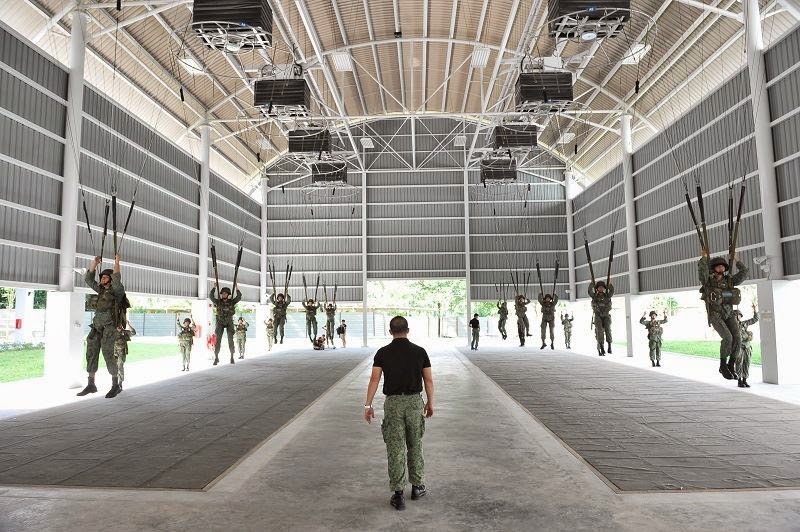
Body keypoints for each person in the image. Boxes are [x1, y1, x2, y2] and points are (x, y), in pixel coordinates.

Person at [364, 316, 434, 511]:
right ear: (408, 330)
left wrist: (367, 405)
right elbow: (428, 380)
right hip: (414, 402)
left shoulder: (383, 353)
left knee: (395, 448)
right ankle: (418, 487)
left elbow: (374, 380)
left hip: (393, 404)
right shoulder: (420, 352)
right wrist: (430, 403)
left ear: (390, 331)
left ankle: (398, 494)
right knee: (415, 445)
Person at [77, 254, 128, 398]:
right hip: (97, 326)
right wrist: (94, 262)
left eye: (105, 277)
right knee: (91, 353)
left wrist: (117, 262)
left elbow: (117, 277)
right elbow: (88, 279)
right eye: (102, 277)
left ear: (111, 280)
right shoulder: (100, 290)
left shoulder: (117, 292)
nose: (102, 279)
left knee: (107, 354)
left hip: (109, 327)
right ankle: (91, 384)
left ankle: (115, 385)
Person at [698, 252, 748, 380]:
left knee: (738, 338)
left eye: (722, 266)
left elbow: (744, 274)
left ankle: (731, 364)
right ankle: (723, 365)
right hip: (715, 315)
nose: (721, 268)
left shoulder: (729, 281)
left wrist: (737, 261)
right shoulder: (708, 282)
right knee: (728, 338)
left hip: (729, 313)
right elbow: (701, 271)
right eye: (718, 266)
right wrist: (703, 258)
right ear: (713, 268)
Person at [210, 286, 242, 365]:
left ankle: (232, 357)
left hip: (229, 322)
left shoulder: (232, 302)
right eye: (223, 293)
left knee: (230, 340)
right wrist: (214, 288)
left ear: (228, 294)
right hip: (220, 322)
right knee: (218, 341)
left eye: (225, 293)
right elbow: (211, 296)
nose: (224, 295)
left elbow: (239, 297)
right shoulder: (218, 302)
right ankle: (216, 357)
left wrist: (237, 289)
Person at [735, 304, 759, 388]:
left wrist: (755, 310)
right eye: (738, 315)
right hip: (739, 347)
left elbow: (755, 319)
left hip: (747, 347)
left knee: (747, 363)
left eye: (739, 315)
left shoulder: (744, 323)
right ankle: (739, 380)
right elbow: (739, 338)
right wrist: (747, 336)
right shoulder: (733, 327)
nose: (739, 317)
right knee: (739, 364)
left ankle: (745, 380)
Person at [589, 280, 614, 356]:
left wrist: (609, 284)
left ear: (604, 288)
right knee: (599, 330)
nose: (601, 288)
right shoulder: (594, 296)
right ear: (597, 288)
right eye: (599, 287)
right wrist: (591, 284)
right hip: (598, 315)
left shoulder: (607, 296)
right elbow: (590, 291)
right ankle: (602, 347)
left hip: (606, 315)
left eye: (602, 287)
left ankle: (609, 345)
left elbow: (612, 291)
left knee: (608, 329)